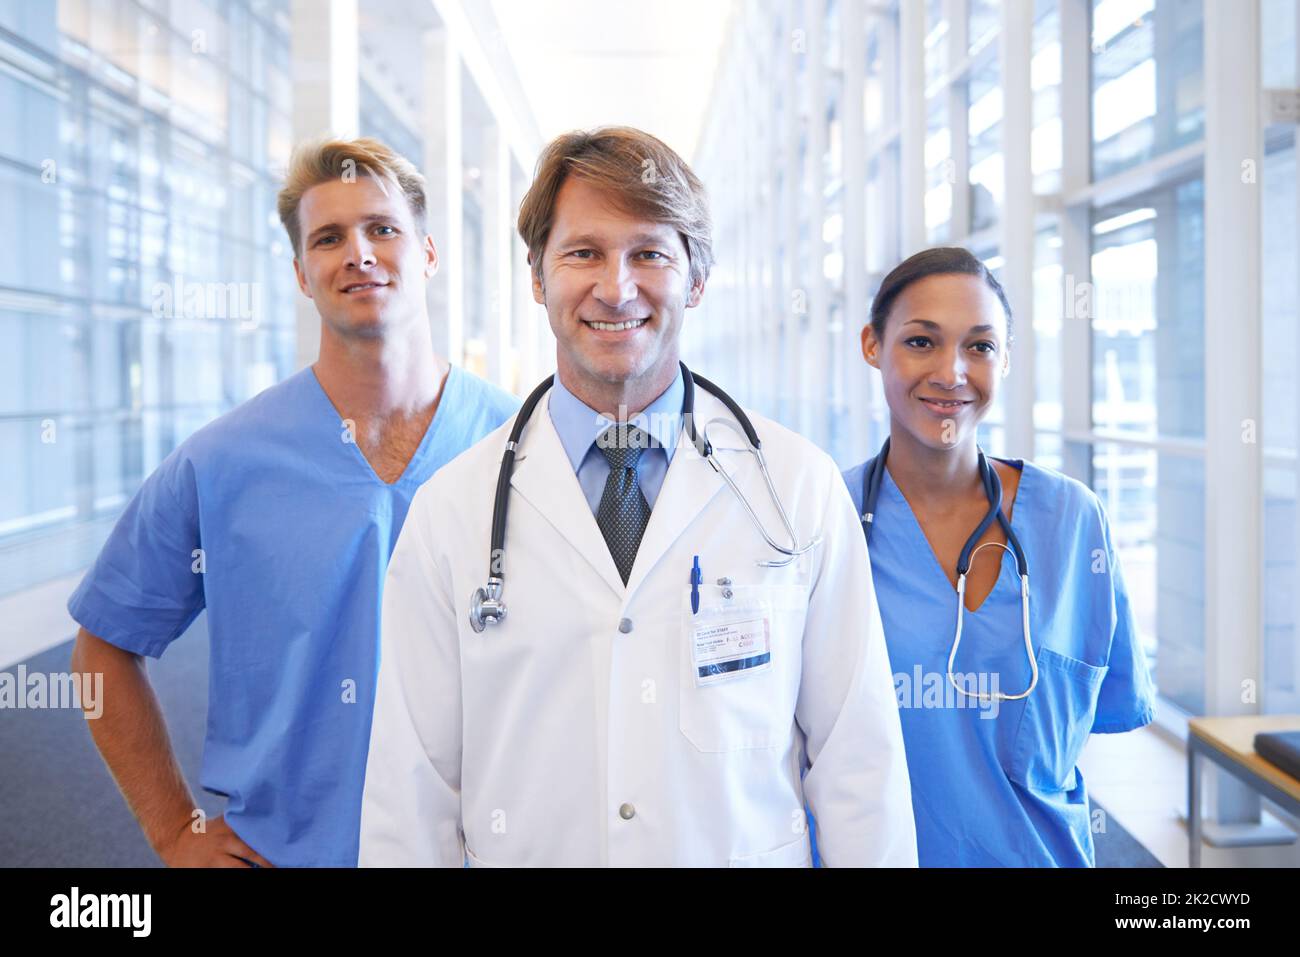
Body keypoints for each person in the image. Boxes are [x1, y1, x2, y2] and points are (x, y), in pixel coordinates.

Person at [359, 126, 916, 867]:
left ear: (696, 279)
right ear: (537, 276)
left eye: (649, 252)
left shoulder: (797, 491)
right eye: (583, 252)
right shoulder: (449, 514)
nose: (616, 287)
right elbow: (410, 798)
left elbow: (860, 768)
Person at [67, 137, 519, 867]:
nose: (359, 254)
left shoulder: (520, 446)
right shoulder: (224, 460)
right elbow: (102, 646)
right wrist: (174, 830)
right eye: (329, 238)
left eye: (382, 229)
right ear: (302, 274)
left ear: (428, 253)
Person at [841, 246, 1155, 866]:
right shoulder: (828, 518)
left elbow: (1093, 715)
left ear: (1005, 359)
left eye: (980, 346)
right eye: (921, 342)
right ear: (873, 345)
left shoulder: (1071, 519)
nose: (952, 372)